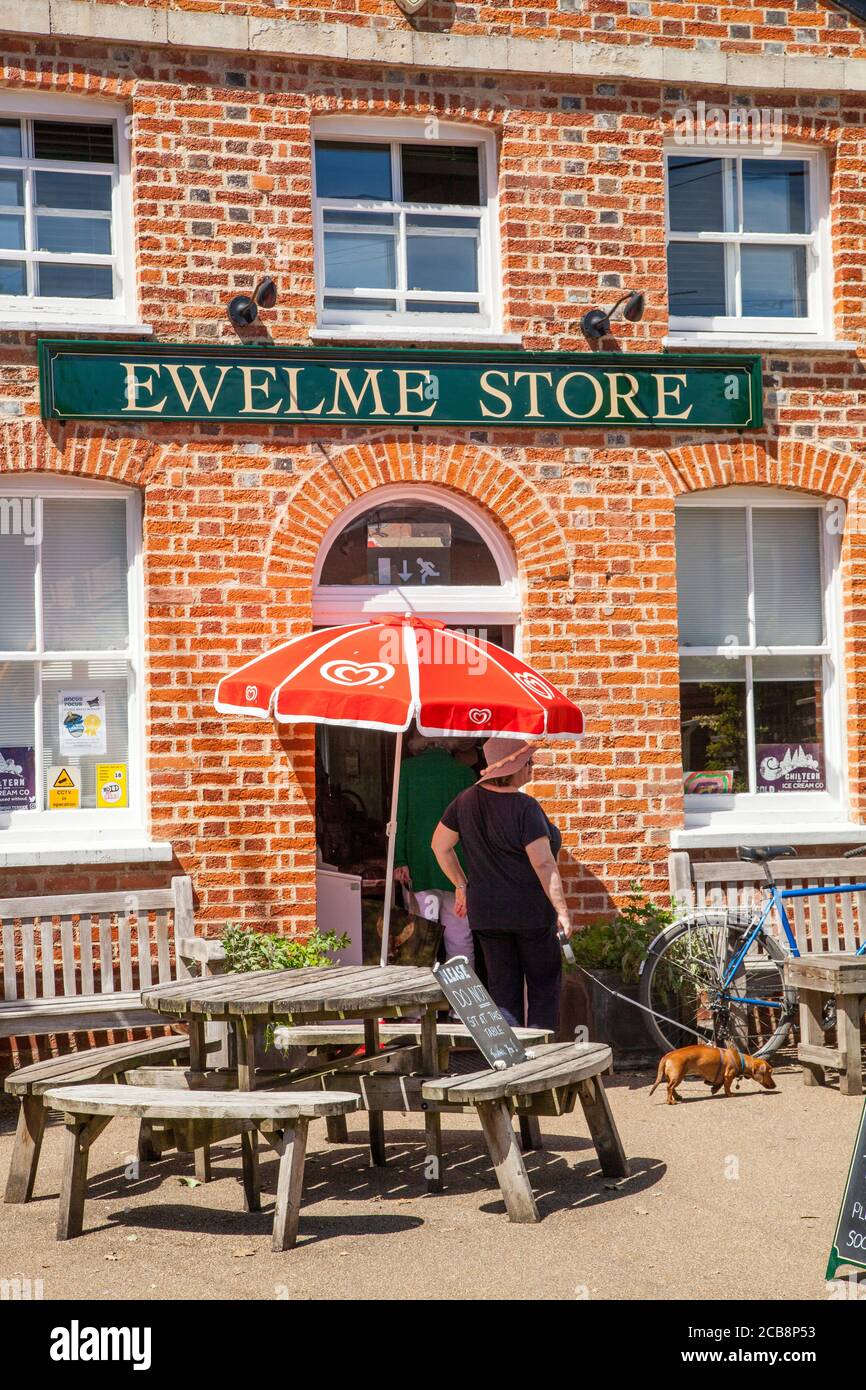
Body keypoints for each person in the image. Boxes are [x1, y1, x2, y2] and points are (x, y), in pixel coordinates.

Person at [431, 737, 571, 1032]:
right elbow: (543, 864)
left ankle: (512, 1061)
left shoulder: (465, 801)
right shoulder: (525, 807)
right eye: (528, 762)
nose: (532, 768)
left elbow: (440, 846)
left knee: (503, 993)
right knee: (543, 987)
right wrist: (562, 910)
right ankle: (542, 1058)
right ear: (515, 768)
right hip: (530, 913)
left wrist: (461, 885)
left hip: (487, 914)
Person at [393, 732, 477, 962]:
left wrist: (399, 860)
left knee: (420, 935)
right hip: (457, 867)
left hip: (418, 863)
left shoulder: (406, 770)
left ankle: (423, 992)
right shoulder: (465, 773)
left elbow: (398, 818)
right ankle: (462, 992)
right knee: (460, 936)